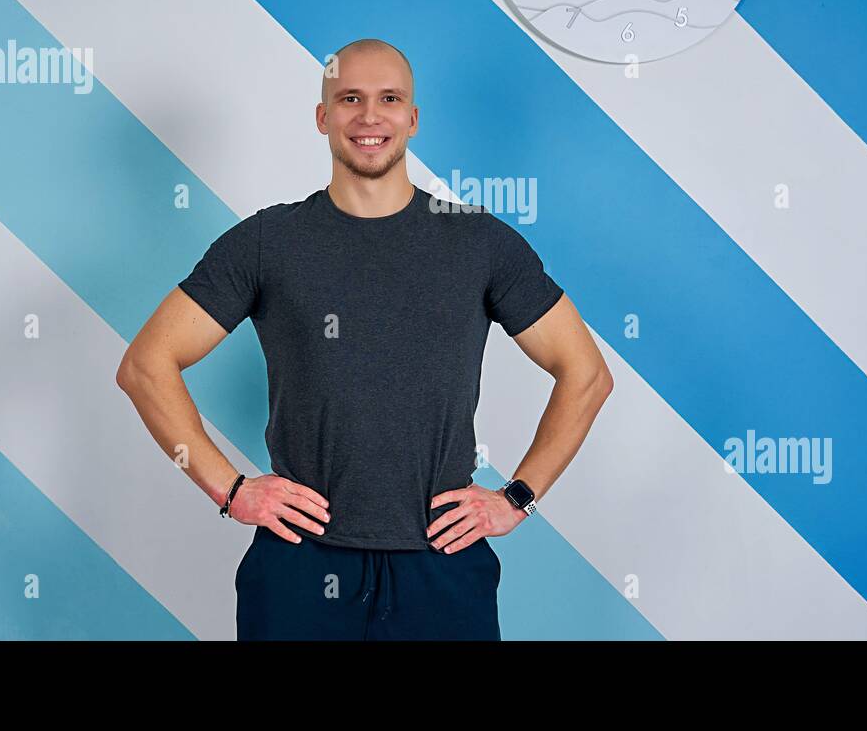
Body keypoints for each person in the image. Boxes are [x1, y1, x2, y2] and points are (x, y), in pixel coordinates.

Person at [116, 38, 613, 640]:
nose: (370, 116)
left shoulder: (477, 242)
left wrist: (517, 498)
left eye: (389, 99)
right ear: (323, 116)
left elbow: (586, 373)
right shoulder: (268, 241)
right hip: (299, 564)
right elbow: (145, 365)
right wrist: (232, 489)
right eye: (350, 98)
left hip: (443, 563)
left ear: (412, 118)